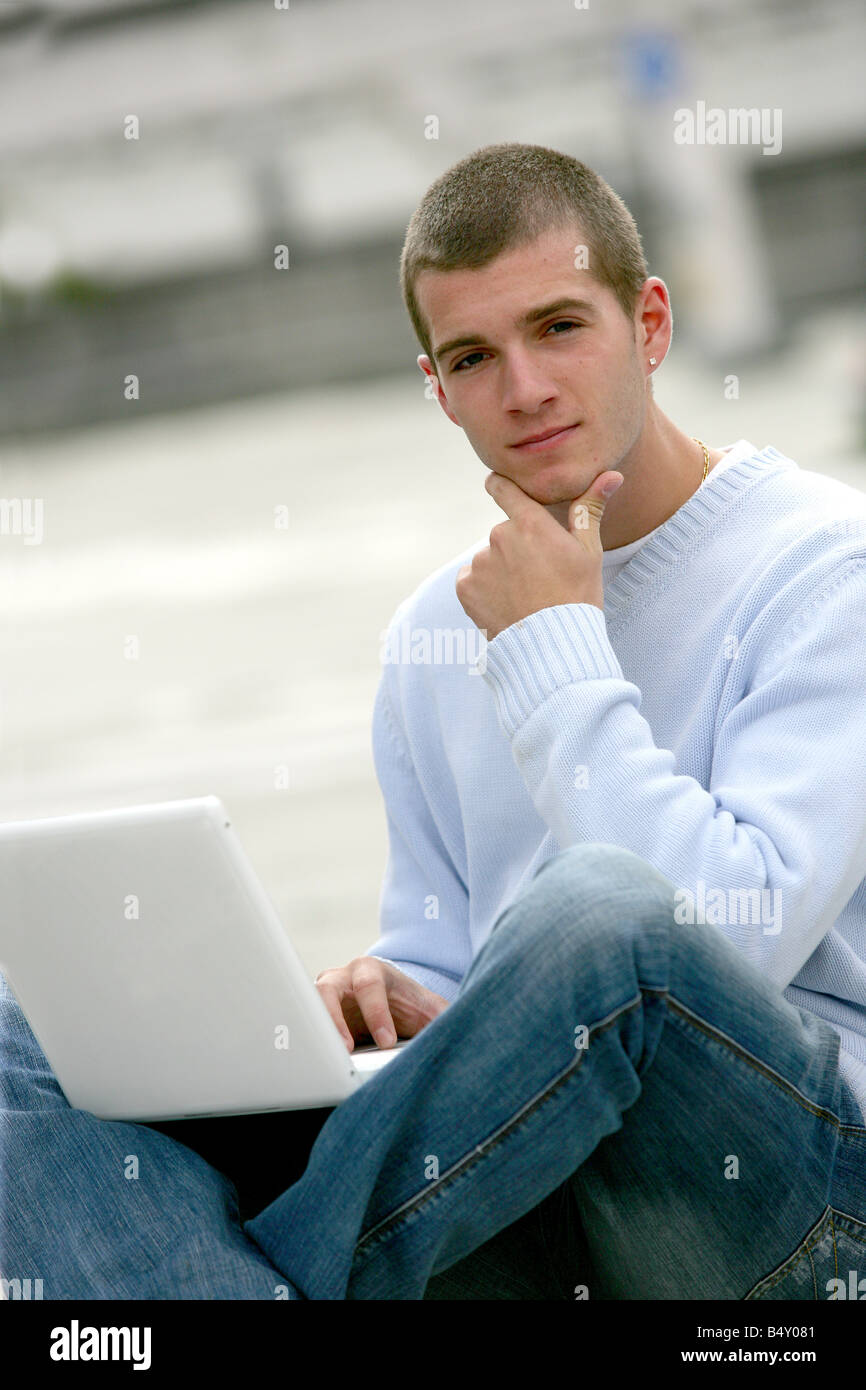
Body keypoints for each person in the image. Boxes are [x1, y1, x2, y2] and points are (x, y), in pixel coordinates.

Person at [2, 142, 866, 1301]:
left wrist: (551, 643)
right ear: (437, 386)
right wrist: (381, 998)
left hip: (795, 1206)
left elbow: (720, 940)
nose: (523, 388)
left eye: (559, 327)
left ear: (650, 325)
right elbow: (453, 968)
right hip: (532, 1191)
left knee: (605, 915)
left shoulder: (825, 569)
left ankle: (240, 1271)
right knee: (21, 1030)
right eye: (473, 357)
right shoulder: (434, 630)